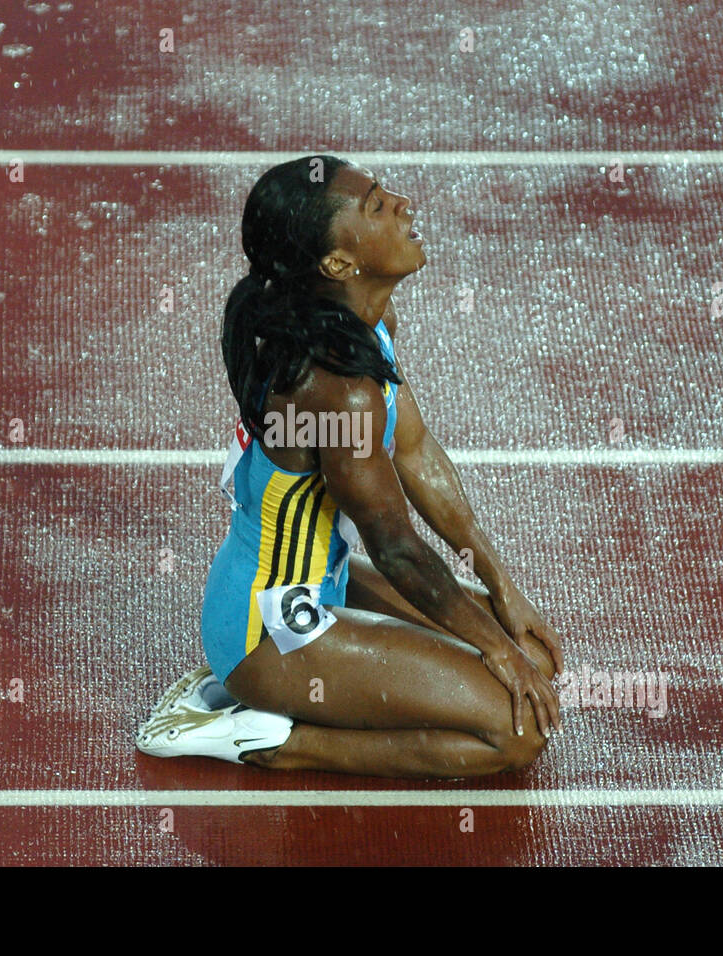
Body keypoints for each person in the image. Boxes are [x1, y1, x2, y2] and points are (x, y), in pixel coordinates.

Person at [138, 155, 564, 779]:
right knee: (514, 728)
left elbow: (416, 450)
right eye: (375, 205)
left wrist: (502, 587)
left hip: (326, 582)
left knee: (532, 659)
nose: (402, 203)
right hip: (272, 628)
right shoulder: (337, 389)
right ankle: (268, 739)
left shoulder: (363, 328)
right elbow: (396, 551)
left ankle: (309, 689)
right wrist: (495, 650)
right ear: (338, 265)